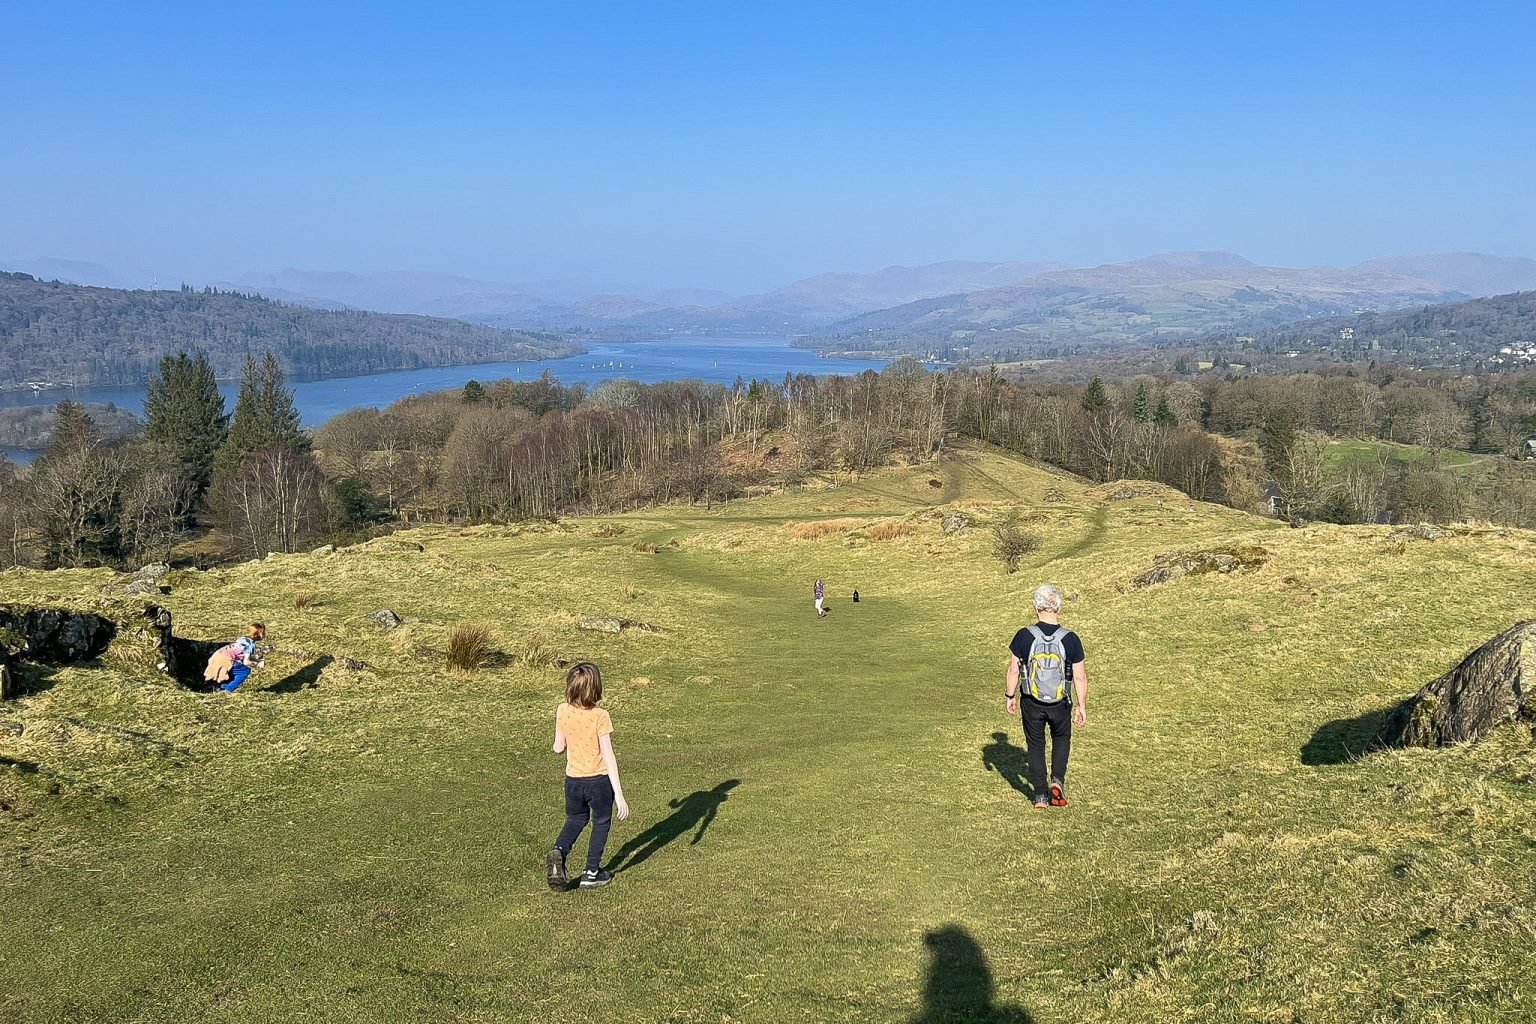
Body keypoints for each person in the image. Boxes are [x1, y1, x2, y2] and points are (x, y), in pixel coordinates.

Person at [547, 662, 630, 890]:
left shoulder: (562, 710)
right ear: (596, 688)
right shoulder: (600, 716)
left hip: (573, 780)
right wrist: (620, 796)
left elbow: (557, 747)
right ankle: (591, 872)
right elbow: (609, 756)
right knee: (601, 822)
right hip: (598, 782)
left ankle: (560, 850)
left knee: (575, 819)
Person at [1004, 585, 1088, 809]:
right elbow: (1079, 677)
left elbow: (1014, 670)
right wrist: (1081, 705)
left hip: (1031, 701)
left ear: (1035, 607)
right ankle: (1057, 781)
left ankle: (1040, 796)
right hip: (1061, 702)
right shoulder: (1071, 639)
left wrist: (1010, 695)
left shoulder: (1024, 636)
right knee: (1061, 739)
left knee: (1035, 744)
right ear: (1058, 607)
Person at [203, 623, 266, 692]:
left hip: (218, 655)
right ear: (257, 634)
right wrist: (257, 664)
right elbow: (246, 662)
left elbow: (243, 655)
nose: (264, 635)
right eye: (263, 633)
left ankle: (222, 687)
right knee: (245, 671)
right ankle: (227, 690)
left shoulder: (243, 639)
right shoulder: (250, 645)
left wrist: (257, 660)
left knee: (233, 671)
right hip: (226, 658)